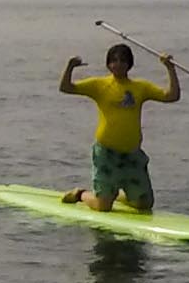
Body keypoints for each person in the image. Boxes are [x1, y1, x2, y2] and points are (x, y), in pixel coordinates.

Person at [59, 38, 180, 213]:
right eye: (114, 60)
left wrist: (170, 68)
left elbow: (172, 96)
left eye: (123, 60)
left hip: (132, 154)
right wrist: (70, 66)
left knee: (144, 204)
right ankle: (81, 194)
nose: (118, 64)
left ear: (129, 64)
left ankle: (116, 195)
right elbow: (66, 88)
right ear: (108, 64)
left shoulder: (140, 87)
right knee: (103, 207)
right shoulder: (99, 85)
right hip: (106, 153)